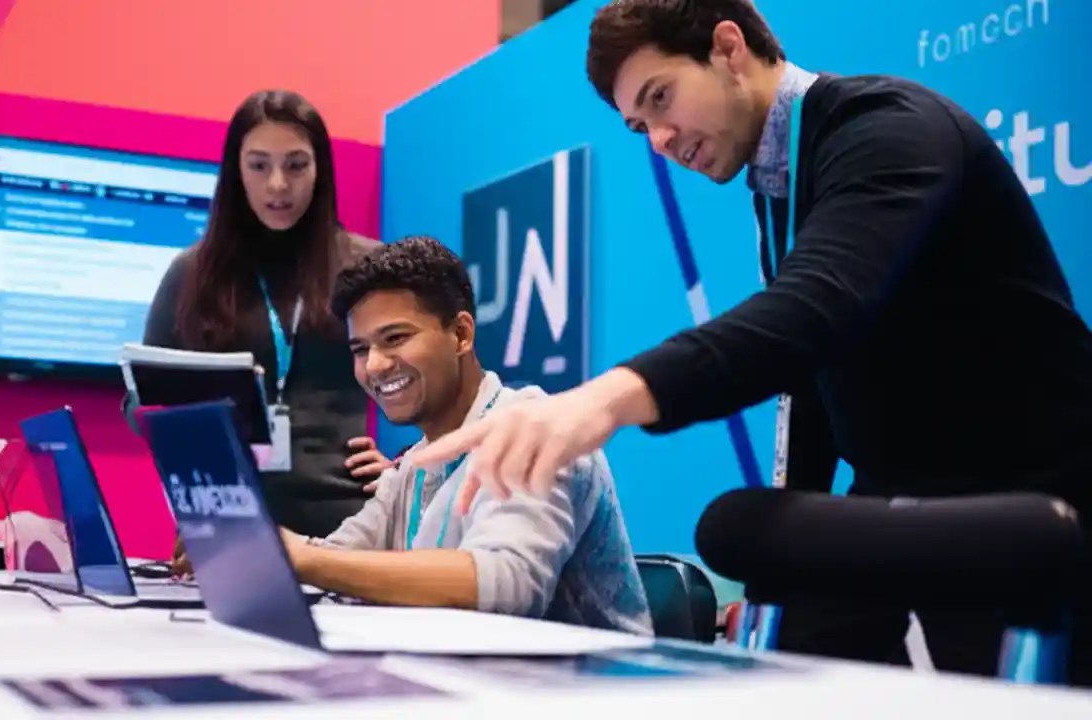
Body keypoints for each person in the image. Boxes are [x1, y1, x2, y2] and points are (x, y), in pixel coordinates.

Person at [412, 0, 1092, 682]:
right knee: (761, 617)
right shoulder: (778, 186)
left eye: (661, 98)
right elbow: (812, 378)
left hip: (1037, 507)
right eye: (639, 125)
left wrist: (604, 401)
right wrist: (783, 572)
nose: (660, 139)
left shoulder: (887, 128)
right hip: (911, 509)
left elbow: (814, 309)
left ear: (729, 48)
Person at [267, 236, 651, 634]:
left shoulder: (535, 430)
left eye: (395, 338)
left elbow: (508, 583)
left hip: (590, 689)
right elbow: (335, 558)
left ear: (462, 335)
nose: (375, 365)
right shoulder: (414, 463)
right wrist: (245, 552)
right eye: (361, 349)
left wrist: (302, 559)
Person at [128, 90, 392, 539]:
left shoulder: (367, 266)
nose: (277, 185)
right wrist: (178, 428)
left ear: (320, 169)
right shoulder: (193, 273)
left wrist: (407, 465)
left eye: (295, 164)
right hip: (226, 515)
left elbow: (431, 380)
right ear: (236, 171)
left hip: (345, 519)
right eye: (258, 165)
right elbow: (139, 403)